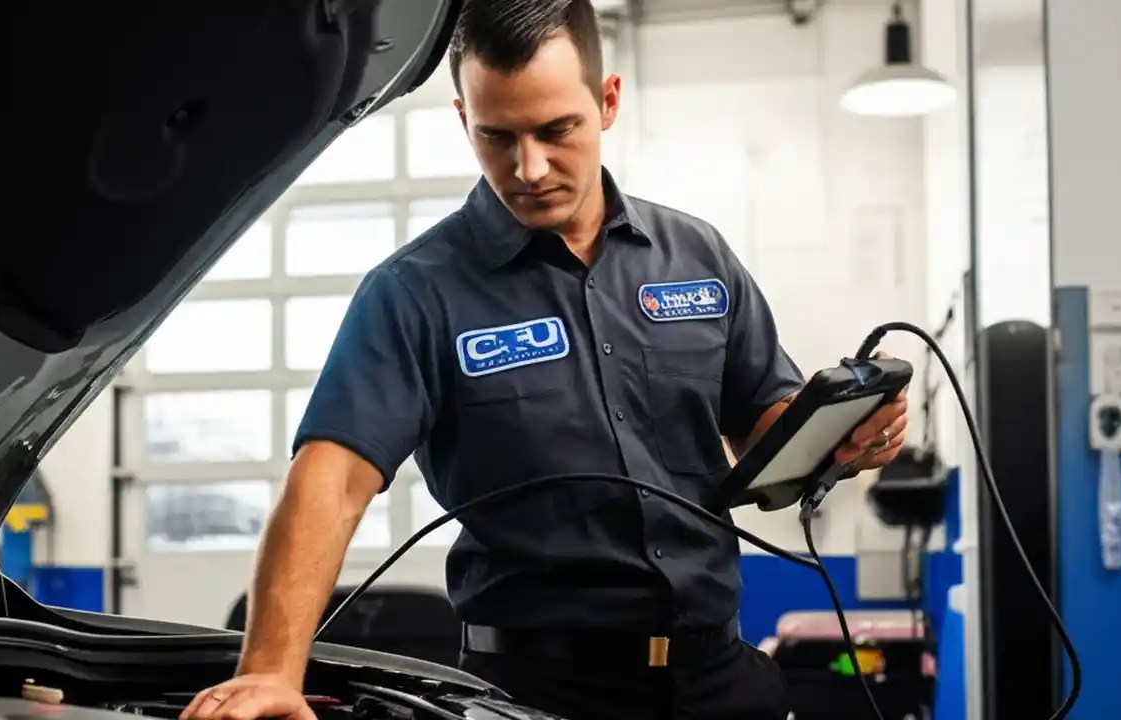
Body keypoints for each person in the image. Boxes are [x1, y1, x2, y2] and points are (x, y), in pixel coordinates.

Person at [180, 1, 908, 718]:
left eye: (557, 130)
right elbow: (332, 481)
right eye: (498, 136)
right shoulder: (415, 293)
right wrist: (272, 669)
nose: (528, 168)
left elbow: (762, 426)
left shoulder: (698, 256)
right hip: (533, 692)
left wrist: (839, 438)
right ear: (465, 119)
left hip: (717, 677)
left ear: (608, 102)